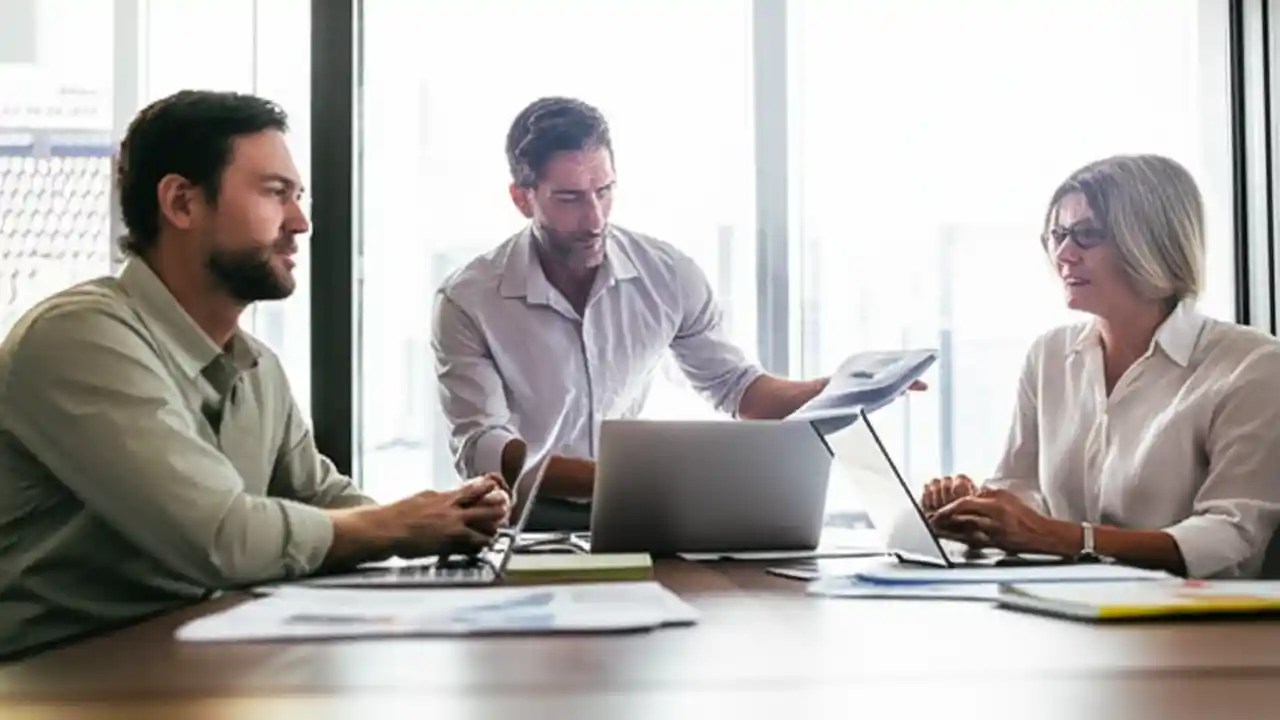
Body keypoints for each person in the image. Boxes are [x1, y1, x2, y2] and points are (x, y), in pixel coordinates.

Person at [0, 90, 509, 659]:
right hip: (62, 678)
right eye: (275, 193)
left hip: (196, 656)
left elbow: (322, 498)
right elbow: (219, 537)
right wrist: (397, 525)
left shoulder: (256, 365)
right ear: (182, 203)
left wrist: (447, 517)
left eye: (298, 196)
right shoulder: (79, 338)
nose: (301, 222)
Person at [433, 97, 833, 529]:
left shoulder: (667, 275)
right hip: (522, 525)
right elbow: (482, 447)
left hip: (628, 514)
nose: (594, 219)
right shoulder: (468, 300)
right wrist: (638, 478)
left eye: (603, 191)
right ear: (522, 199)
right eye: (569, 198)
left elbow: (739, 388)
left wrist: (843, 391)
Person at [921, 154, 1280, 578]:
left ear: (1151, 241)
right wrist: (978, 509)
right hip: (1072, 606)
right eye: (1057, 234)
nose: (1064, 253)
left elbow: (1232, 534)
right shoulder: (1049, 355)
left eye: (1087, 235)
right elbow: (1021, 489)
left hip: (1194, 627)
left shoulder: (1252, 364)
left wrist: (1066, 537)